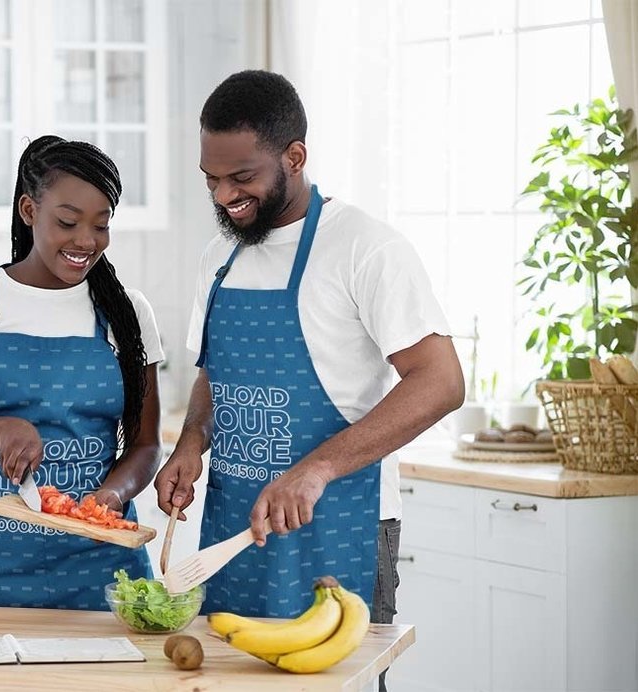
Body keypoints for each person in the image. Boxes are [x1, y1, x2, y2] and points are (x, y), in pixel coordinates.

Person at [155, 70, 464, 688]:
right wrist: (190, 444)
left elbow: (441, 381)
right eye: (211, 179)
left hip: (336, 525)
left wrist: (317, 468)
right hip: (231, 526)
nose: (223, 197)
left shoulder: (364, 248)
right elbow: (215, 371)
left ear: (294, 157)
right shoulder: (220, 255)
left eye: (242, 178)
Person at [0, 135, 164, 609]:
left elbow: (146, 444)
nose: (86, 241)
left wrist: (112, 495)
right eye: (68, 222)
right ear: (29, 210)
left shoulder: (128, 315)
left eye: (101, 226)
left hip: (101, 573)